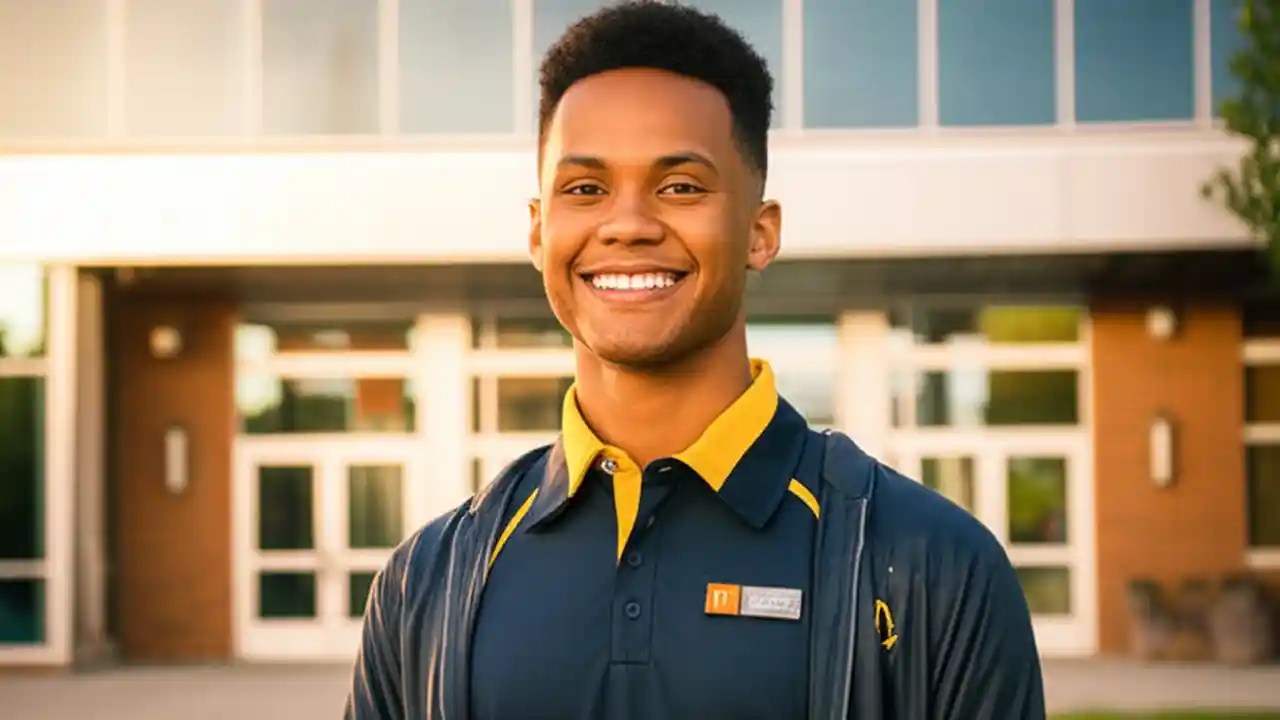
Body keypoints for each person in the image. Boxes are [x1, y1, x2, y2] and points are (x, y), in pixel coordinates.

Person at [345, 2, 1045, 718]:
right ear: (537, 231)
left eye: (680, 186)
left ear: (759, 232)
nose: (627, 225)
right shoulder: (424, 581)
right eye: (585, 189)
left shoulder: (930, 565)